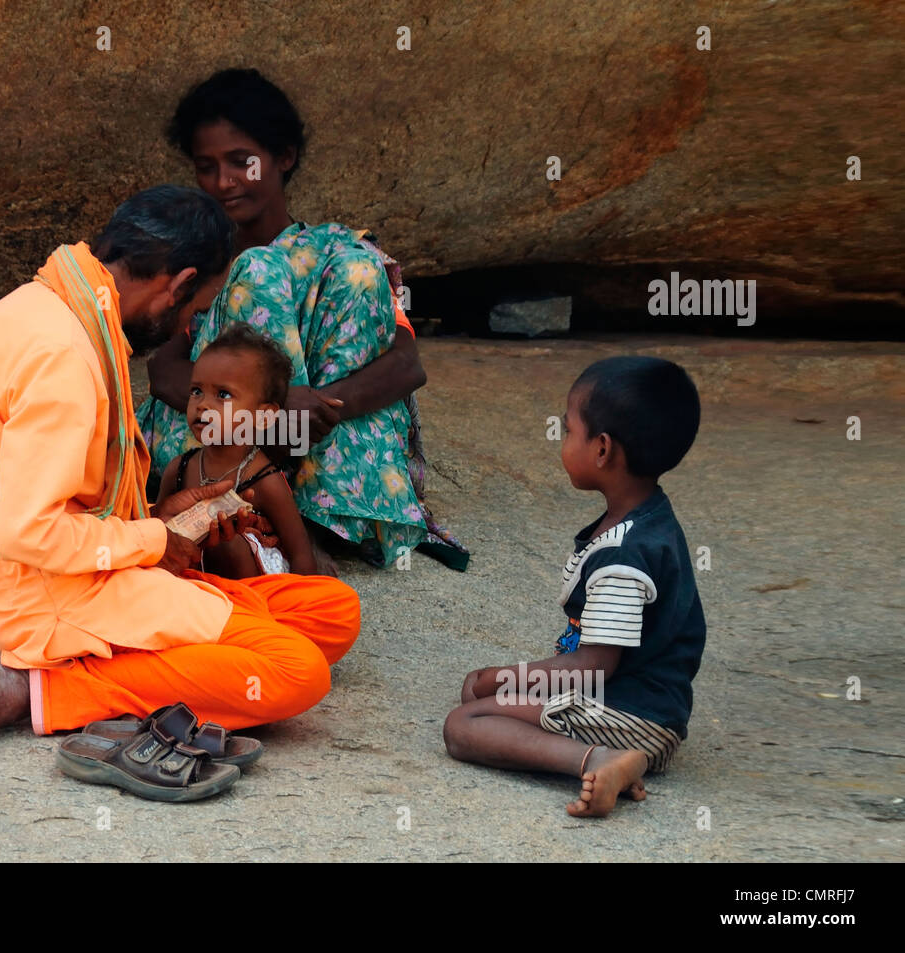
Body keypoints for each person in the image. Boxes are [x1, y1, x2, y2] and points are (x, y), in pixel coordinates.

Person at [0, 185, 360, 757]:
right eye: (195, 308)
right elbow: (27, 532)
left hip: (92, 573)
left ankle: (191, 652)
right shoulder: (60, 353)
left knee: (332, 612)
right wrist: (154, 539)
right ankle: (44, 687)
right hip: (51, 603)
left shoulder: (60, 314)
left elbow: (75, 507)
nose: (188, 323)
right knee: (297, 670)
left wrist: (165, 522)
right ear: (179, 284)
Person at [136, 68, 468, 572]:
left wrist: (306, 410)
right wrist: (259, 408)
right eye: (206, 167)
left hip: (308, 433)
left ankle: (293, 506)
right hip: (217, 443)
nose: (223, 182)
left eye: (240, 162)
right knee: (259, 267)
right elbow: (163, 370)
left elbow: (406, 366)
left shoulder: (339, 252)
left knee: (360, 267)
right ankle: (281, 511)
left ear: (284, 157)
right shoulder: (204, 266)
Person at [443, 356, 706, 818]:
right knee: (478, 694)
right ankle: (608, 758)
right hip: (637, 705)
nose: (562, 440)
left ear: (602, 450)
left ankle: (599, 760)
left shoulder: (625, 556)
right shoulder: (645, 519)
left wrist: (508, 677)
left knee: (466, 722)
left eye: (568, 430)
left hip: (634, 718)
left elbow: (594, 665)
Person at [158, 324, 318, 578]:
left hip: (253, 593)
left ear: (264, 416)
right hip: (193, 588)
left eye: (223, 394)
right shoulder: (179, 469)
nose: (203, 405)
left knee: (227, 540)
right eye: (196, 391)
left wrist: (302, 610)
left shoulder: (266, 482)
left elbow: (301, 555)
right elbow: (155, 531)